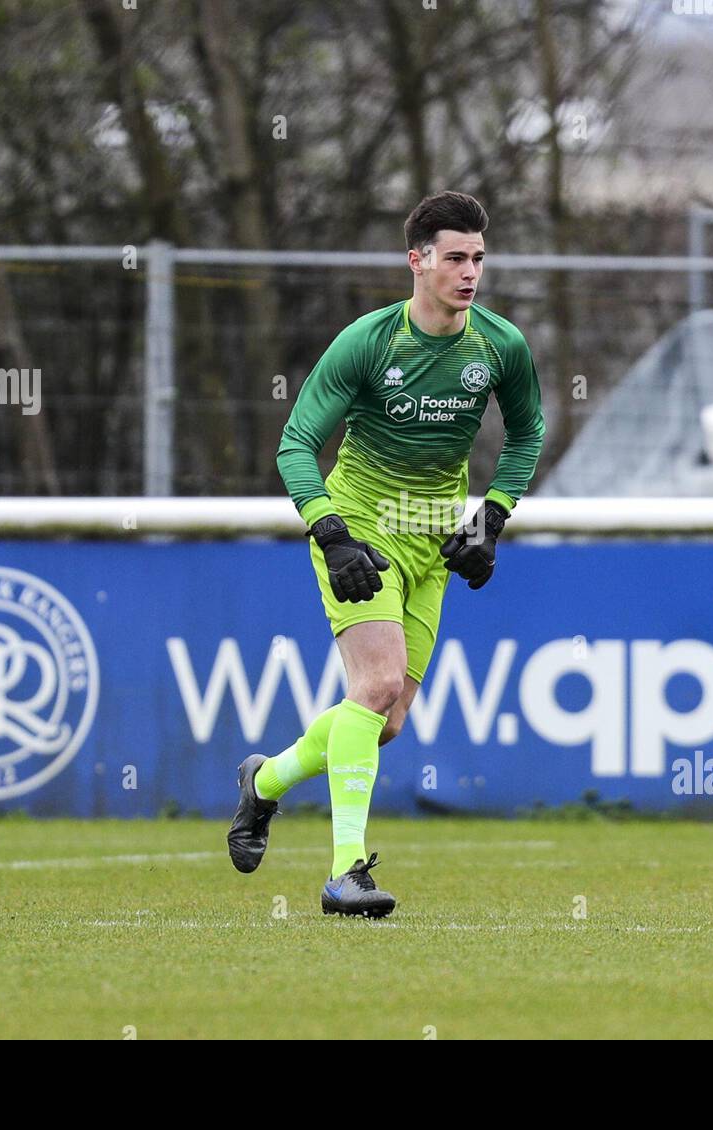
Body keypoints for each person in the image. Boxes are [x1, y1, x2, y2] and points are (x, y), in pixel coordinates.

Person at [227, 191, 545, 917]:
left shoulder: (501, 346)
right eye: (455, 257)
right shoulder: (368, 342)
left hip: (432, 540)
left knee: (389, 719)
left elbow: (527, 433)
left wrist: (491, 519)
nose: (470, 272)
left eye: (479, 258)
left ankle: (265, 782)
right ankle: (346, 875)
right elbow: (296, 445)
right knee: (373, 690)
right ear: (418, 261)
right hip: (362, 533)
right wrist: (331, 533)